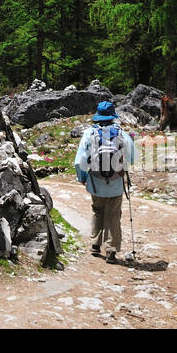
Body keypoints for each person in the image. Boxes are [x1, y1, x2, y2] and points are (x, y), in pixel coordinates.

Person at [74, 100, 138, 264]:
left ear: (98, 116)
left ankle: (95, 245)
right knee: (113, 215)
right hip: (115, 183)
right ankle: (111, 251)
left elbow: (79, 161)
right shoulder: (121, 134)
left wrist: (82, 178)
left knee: (97, 210)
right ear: (113, 116)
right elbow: (132, 158)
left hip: (95, 181)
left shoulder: (89, 133)